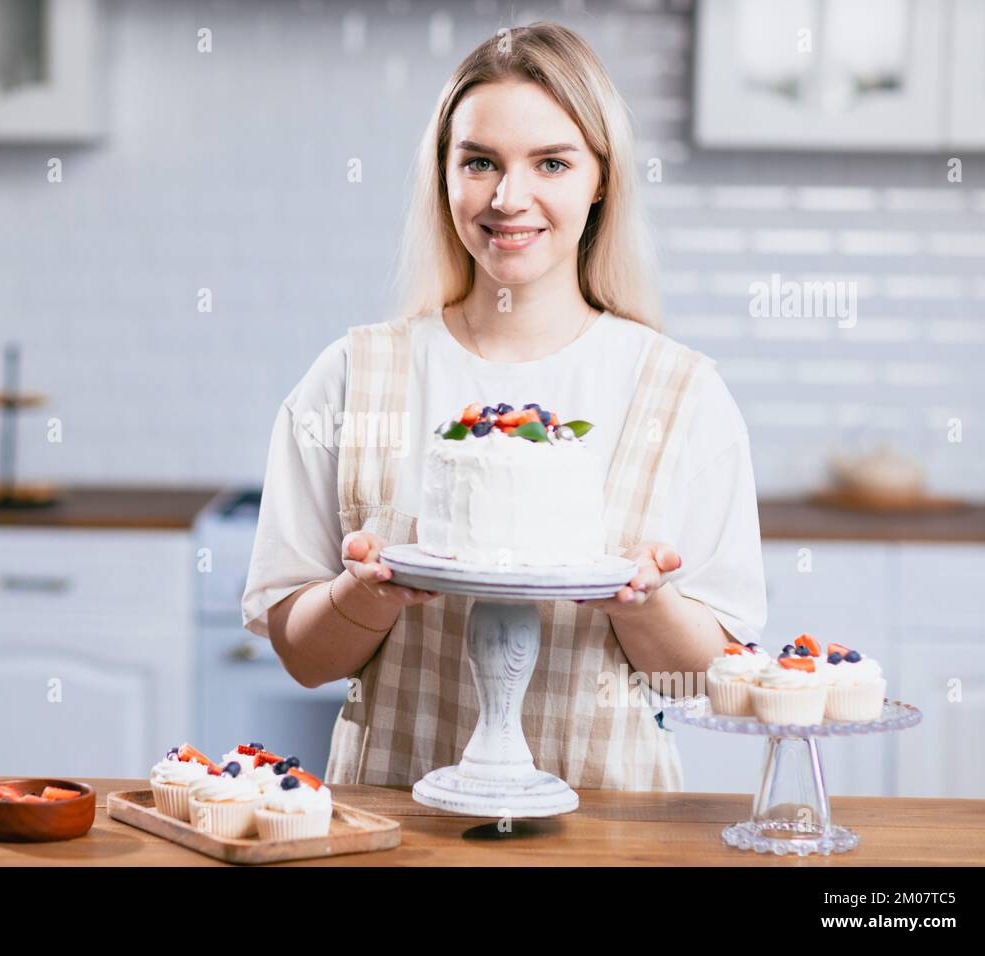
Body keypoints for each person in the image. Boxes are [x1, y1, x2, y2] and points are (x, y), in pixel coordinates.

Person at [241, 22, 766, 791]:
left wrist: (644, 601)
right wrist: (364, 593)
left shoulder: (683, 394)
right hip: (397, 821)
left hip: (609, 832)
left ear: (601, 180)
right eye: (479, 161)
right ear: (443, 175)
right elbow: (304, 659)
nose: (507, 197)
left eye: (551, 162)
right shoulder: (353, 377)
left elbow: (707, 682)